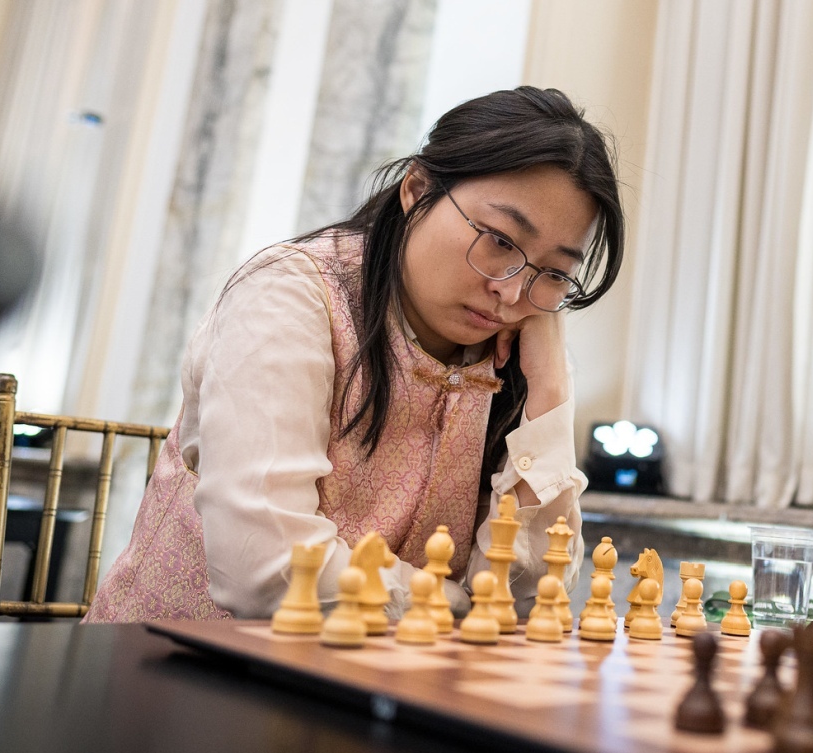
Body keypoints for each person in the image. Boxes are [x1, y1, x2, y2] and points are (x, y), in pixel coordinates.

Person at [84, 86, 625, 622]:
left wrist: (551, 393)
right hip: (181, 676)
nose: (511, 292)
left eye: (554, 273)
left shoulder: (526, 355)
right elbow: (265, 570)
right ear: (417, 190)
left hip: (366, 690)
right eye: (501, 241)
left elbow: (527, 601)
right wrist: (455, 603)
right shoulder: (292, 295)